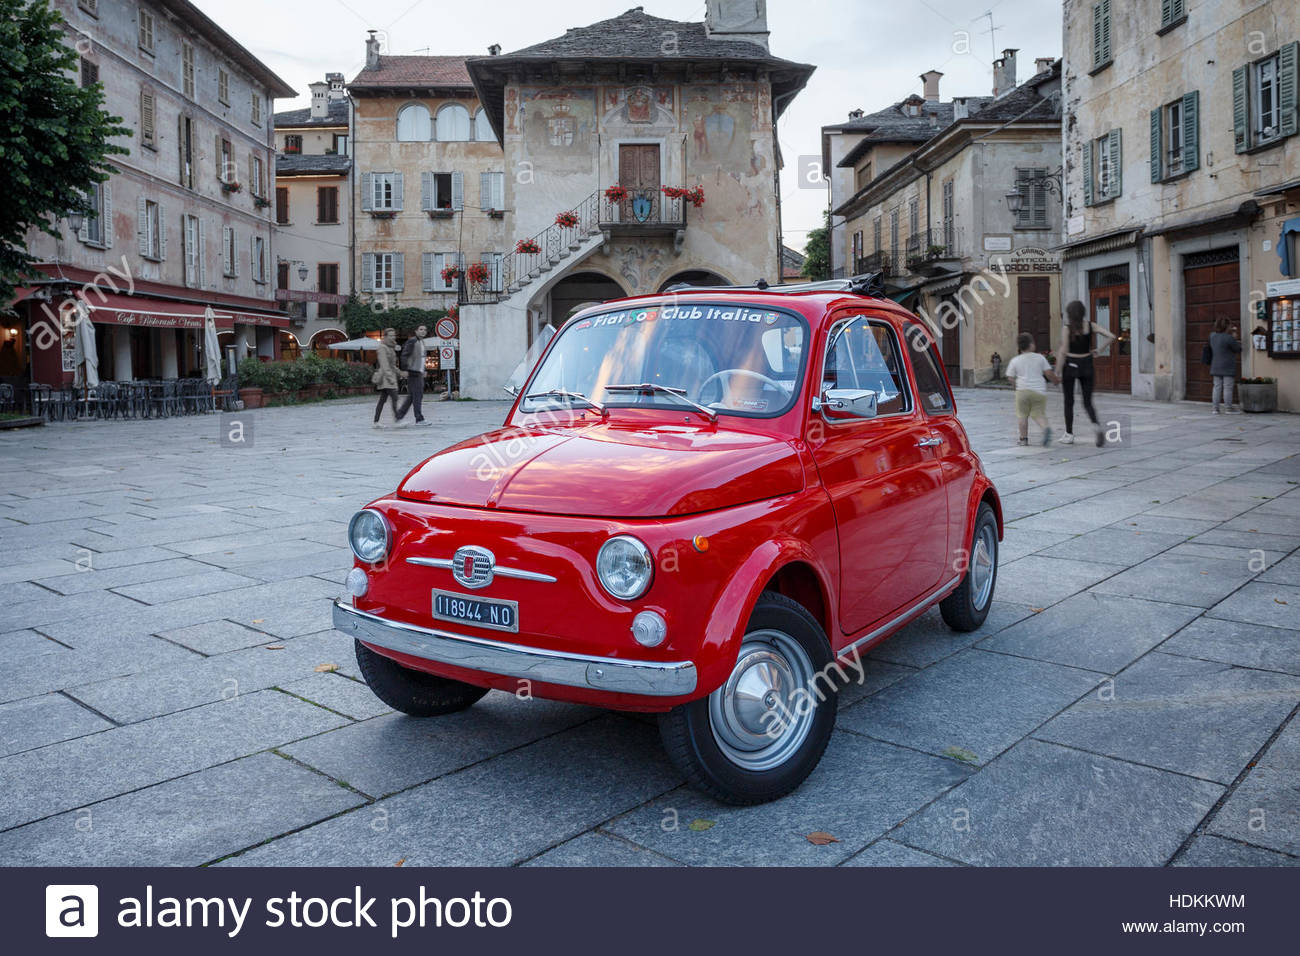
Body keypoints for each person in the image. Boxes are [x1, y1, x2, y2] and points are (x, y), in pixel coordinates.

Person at [1056, 300, 1116, 446]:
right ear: (1083, 312)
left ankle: (1069, 434)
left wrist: (1057, 370)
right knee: (1087, 401)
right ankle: (1096, 425)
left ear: (1069, 313)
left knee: (1068, 401)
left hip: (1070, 365)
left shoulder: (1067, 328)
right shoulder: (1091, 325)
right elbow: (1112, 336)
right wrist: (1099, 350)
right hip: (1087, 364)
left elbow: (1063, 350)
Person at [1005, 331, 1060, 446]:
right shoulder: (1040, 358)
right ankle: (1045, 429)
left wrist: (1016, 386)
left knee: (1022, 415)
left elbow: (1010, 377)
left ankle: (1023, 439)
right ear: (1031, 345)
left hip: (1022, 391)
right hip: (1038, 391)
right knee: (1038, 414)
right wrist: (1056, 381)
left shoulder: (1015, 360)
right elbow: (1049, 373)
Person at [395, 325, 430, 426]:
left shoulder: (422, 342)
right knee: (417, 396)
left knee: (412, 396)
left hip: (419, 372)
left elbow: (422, 358)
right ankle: (419, 419)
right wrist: (405, 369)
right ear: (416, 331)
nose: (423, 331)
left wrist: (424, 369)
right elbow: (404, 355)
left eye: (425, 330)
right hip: (413, 372)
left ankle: (399, 416)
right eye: (421, 329)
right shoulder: (412, 341)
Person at [1208, 316, 1242, 414]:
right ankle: (1228, 409)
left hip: (1215, 365)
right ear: (1227, 326)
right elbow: (1238, 349)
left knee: (1216, 387)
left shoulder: (1212, 336)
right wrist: (1235, 336)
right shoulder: (1229, 338)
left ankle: (1215, 409)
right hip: (1227, 366)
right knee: (1227, 387)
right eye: (1229, 325)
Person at [372, 328, 400, 427]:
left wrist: (401, 373)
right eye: (391, 335)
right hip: (385, 378)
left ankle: (376, 422)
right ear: (386, 336)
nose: (393, 337)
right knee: (394, 397)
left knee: (383, 400)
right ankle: (397, 420)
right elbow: (384, 365)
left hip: (390, 376)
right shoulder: (382, 348)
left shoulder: (391, 347)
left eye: (394, 335)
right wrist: (391, 378)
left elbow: (392, 365)